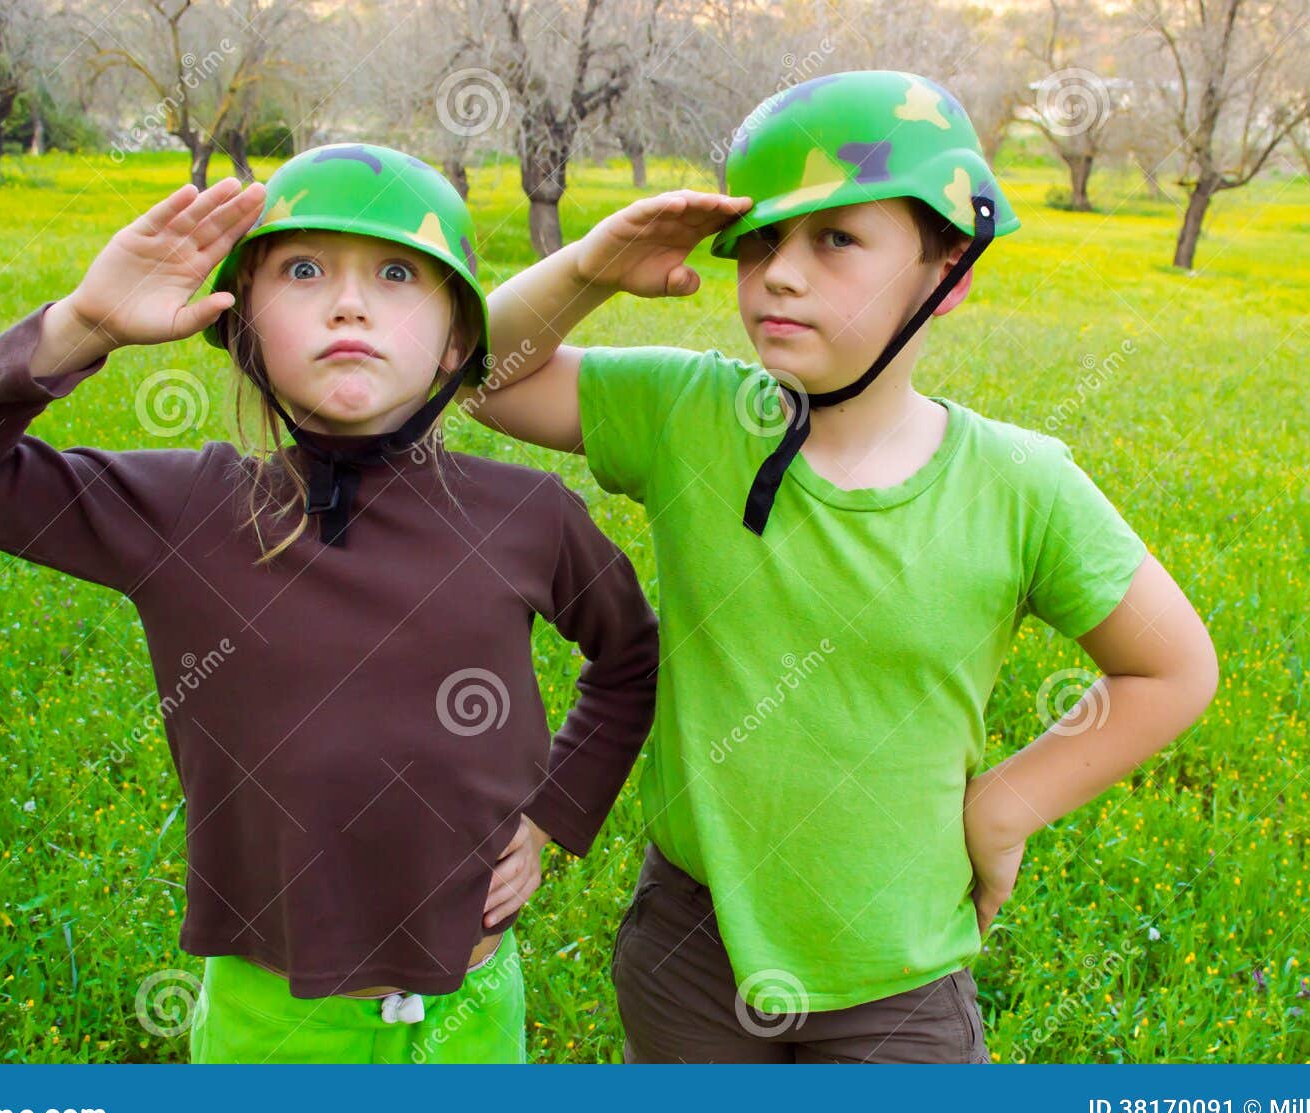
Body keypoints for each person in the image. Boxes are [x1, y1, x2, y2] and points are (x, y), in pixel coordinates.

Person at [460, 71, 1218, 1062]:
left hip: (895, 979)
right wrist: (592, 266)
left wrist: (1005, 802)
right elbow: (475, 374)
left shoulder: (1021, 484)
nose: (779, 274)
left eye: (836, 240)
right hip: (692, 950)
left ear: (948, 273)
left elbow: (1172, 668)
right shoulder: (690, 413)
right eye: (761, 243)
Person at [0, 143, 659, 1064]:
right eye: (304, 272)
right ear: (245, 329)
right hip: (268, 1025)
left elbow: (633, 656)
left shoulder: (529, 516)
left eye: (397, 274)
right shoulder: (186, 512)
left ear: (455, 341)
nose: (348, 302)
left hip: (472, 1010)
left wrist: (555, 810)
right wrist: (85, 324)